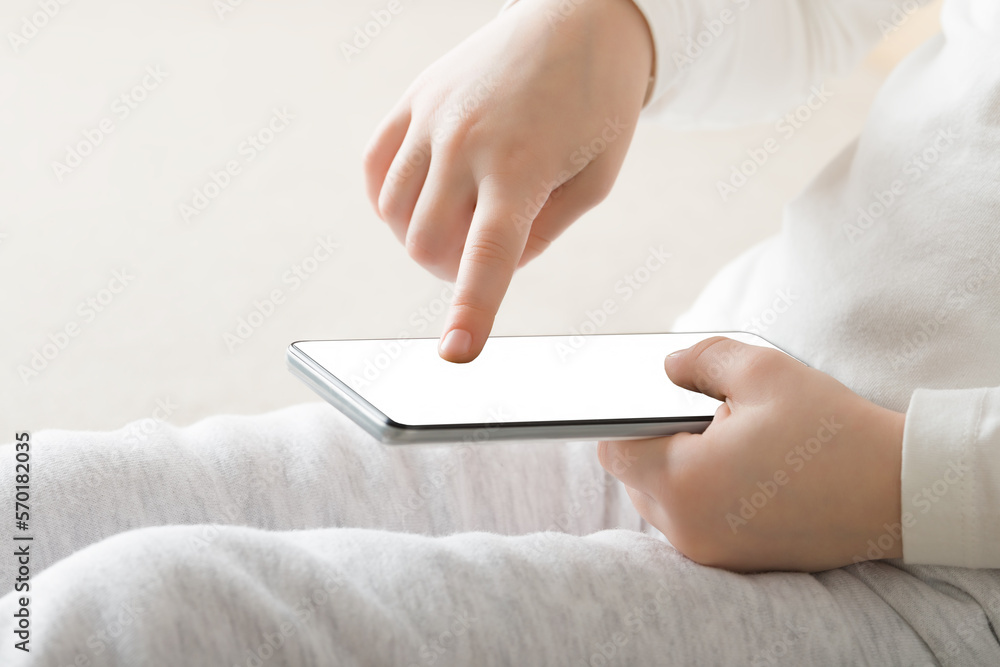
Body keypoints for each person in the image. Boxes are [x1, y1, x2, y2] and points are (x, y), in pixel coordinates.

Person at [3, 0, 999, 664]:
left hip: (945, 590)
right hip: (714, 392)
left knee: (129, 626)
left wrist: (903, 482)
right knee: (39, 505)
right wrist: (621, 24)